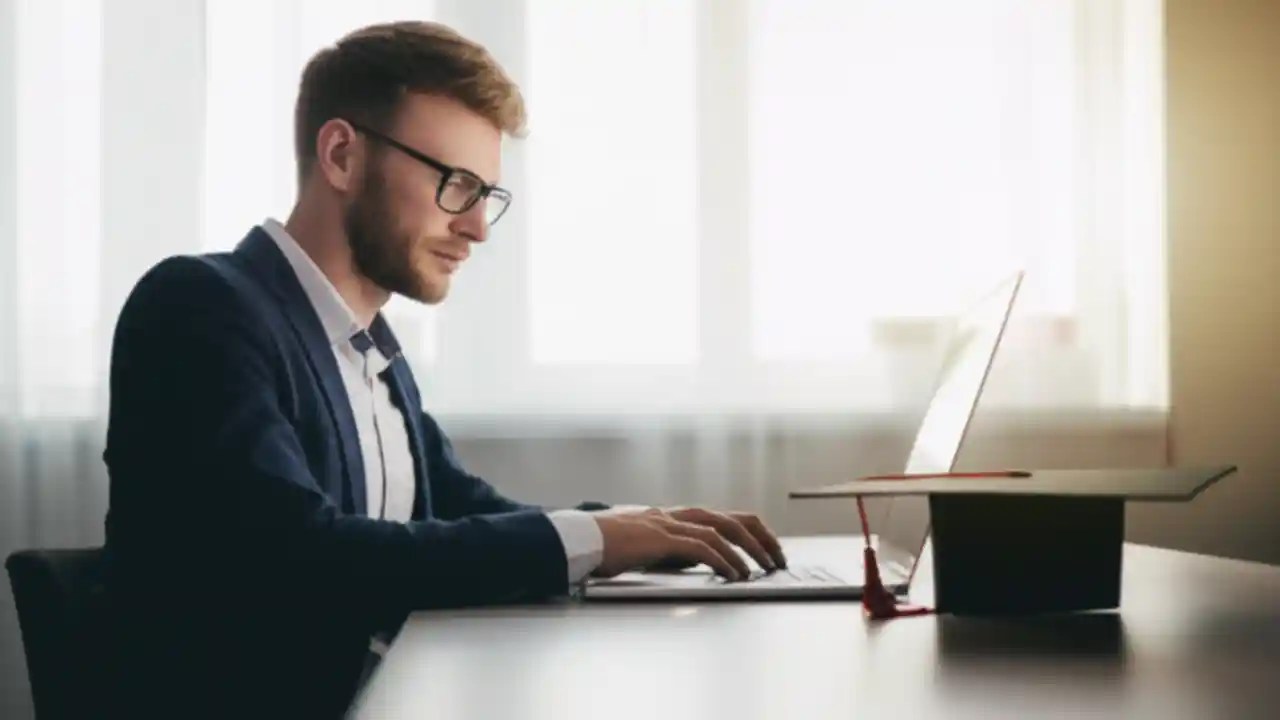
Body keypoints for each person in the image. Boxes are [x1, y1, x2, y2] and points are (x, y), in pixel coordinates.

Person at [102, 20, 787, 716]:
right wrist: (592, 540)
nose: (478, 227)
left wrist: (634, 532)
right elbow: (298, 556)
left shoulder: (371, 347)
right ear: (341, 155)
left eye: (486, 194)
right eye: (456, 185)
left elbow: (459, 510)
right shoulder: (201, 308)